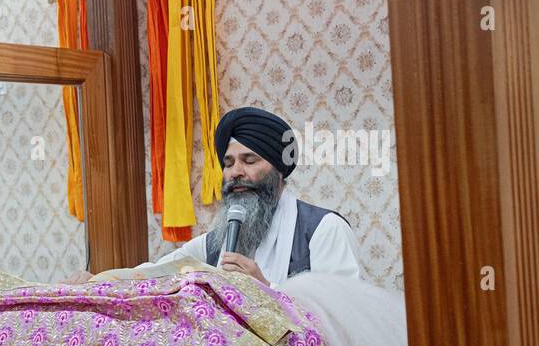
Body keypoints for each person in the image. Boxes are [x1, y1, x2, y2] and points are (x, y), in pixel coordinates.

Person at [65, 106, 363, 287]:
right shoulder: (217, 242)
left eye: (250, 160)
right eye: (229, 163)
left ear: (278, 172)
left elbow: (344, 318)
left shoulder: (324, 230)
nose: (235, 172)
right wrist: (96, 281)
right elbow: (155, 274)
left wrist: (266, 289)